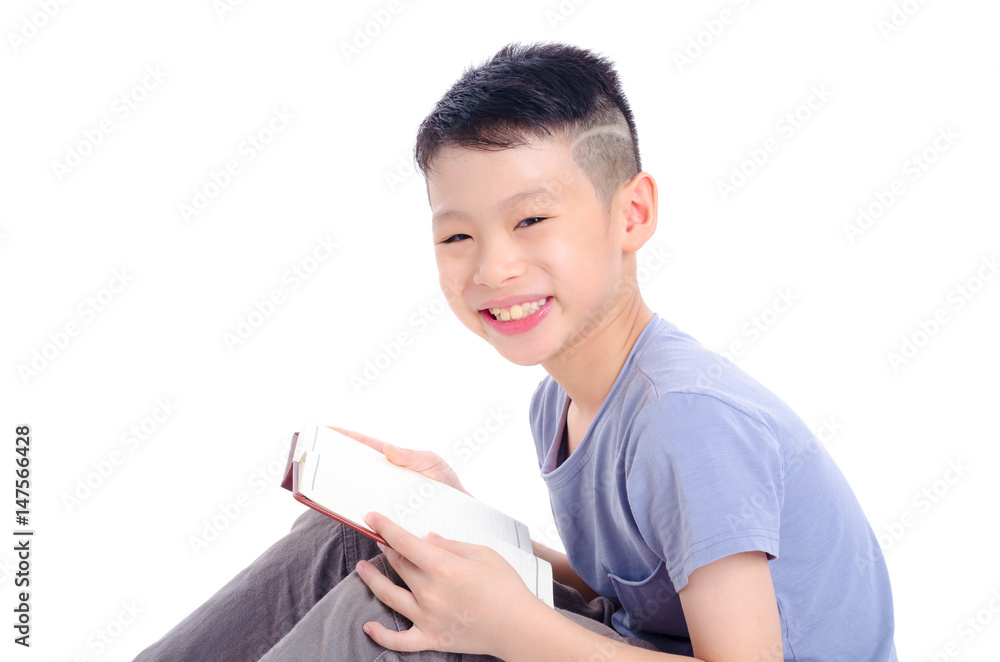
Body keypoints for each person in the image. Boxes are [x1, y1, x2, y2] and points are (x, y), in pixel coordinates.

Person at [134, 42, 897, 661]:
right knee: (372, 544)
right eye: (458, 235)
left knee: (389, 614)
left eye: (531, 221)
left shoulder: (685, 419)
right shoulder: (561, 400)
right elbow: (629, 605)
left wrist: (513, 627)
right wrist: (458, 522)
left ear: (631, 214)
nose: (493, 266)